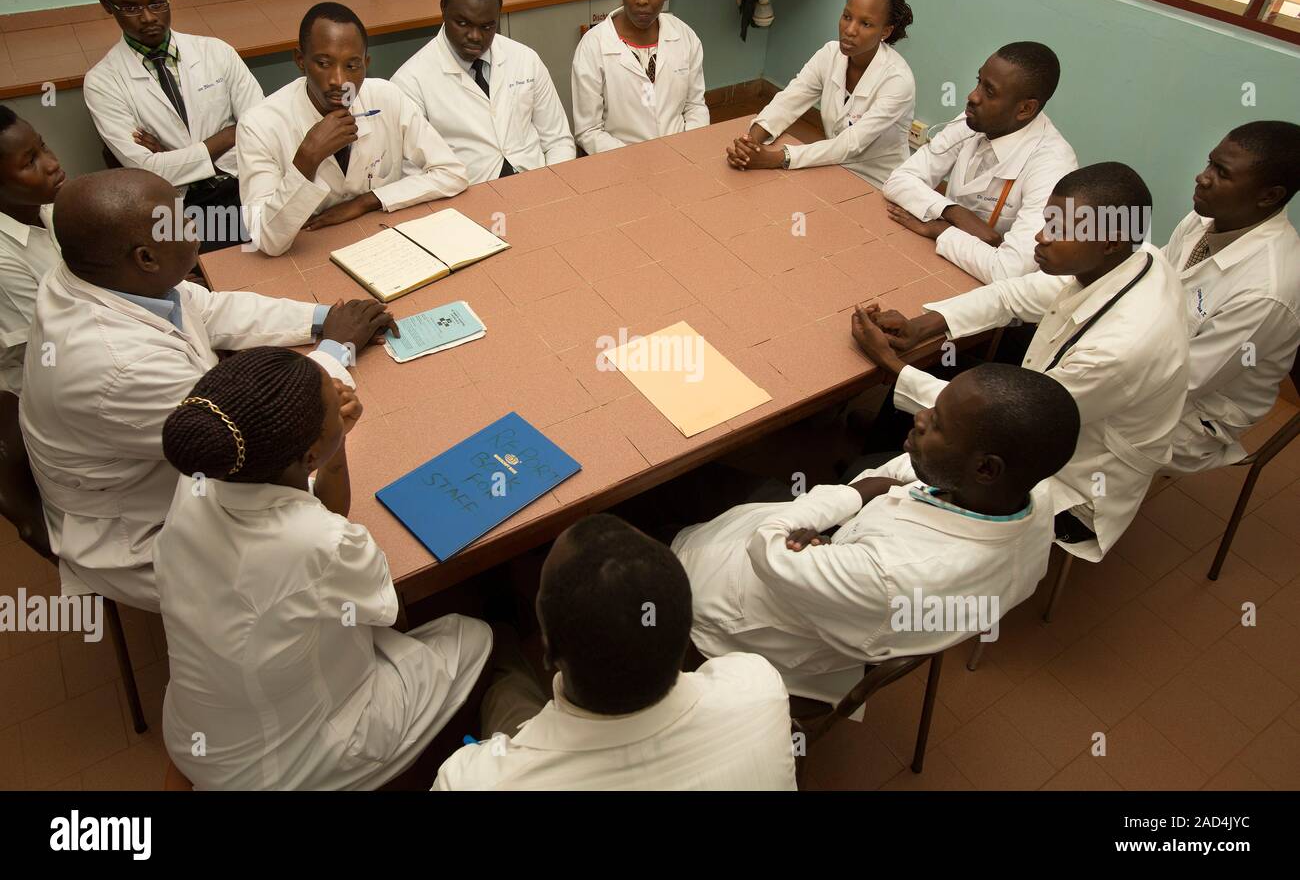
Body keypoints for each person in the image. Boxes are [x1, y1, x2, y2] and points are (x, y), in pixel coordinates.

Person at [18, 169, 396, 612]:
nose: (196, 225)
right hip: (149, 530)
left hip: (155, 471)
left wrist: (321, 319)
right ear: (145, 257)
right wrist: (338, 347)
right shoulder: (118, 364)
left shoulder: (101, 275)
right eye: (181, 220)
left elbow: (211, 309)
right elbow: (253, 425)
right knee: (360, 525)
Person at [156, 347, 492, 790]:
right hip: (285, 764)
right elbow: (389, 613)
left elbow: (303, 508)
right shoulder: (321, 543)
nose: (341, 394)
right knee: (475, 635)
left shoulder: (198, 481)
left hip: (200, 735)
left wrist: (333, 444)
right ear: (309, 455)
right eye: (333, 404)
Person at [674, 366, 1079, 700]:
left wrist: (848, 505)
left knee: (644, 526)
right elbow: (891, 474)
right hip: (826, 570)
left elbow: (765, 546)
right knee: (698, 478)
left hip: (731, 613)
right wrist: (855, 505)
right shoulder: (1030, 493)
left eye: (936, 424)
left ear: (986, 469)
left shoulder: (894, 574)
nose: (919, 418)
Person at [853, 162, 1189, 564]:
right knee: (939, 374)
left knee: (874, 483)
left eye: (1060, 230)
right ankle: (879, 451)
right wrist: (921, 326)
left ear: (1111, 242)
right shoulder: (1132, 255)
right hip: (1048, 411)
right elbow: (1013, 295)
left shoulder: (1123, 348)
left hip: (1074, 485)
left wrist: (891, 364)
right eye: (1048, 220)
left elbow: (1020, 424)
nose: (1041, 236)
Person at [434, 514, 796, 790]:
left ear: (548, 654)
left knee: (506, 689)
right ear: (688, 633)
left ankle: (504, 639)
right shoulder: (758, 688)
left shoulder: (475, 780)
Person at [236, 2, 468, 256]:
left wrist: (369, 201)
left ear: (366, 63)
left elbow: (452, 173)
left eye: (352, 66)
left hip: (382, 241)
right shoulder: (258, 126)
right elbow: (267, 241)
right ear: (300, 60)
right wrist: (306, 160)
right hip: (309, 252)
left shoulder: (386, 97)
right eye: (324, 64)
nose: (339, 80)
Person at [84, 0, 265, 252]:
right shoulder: (103, 82)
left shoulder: (216, 52)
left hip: (245, 185)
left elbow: (261, 132)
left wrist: (172, 155)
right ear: (107, 5)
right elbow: (149, 172)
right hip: (178, 209)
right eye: (130, 7)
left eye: (156, 2)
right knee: (223, 274)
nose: (148, 17)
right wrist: (228, 134)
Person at [1159, 121, 1300, 474]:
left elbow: (1183, 382)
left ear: (1268, 196)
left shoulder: (1268, 291)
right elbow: (1153, 280)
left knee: (1068, 420)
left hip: (1193, 416)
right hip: (1158, 356)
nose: (1202, 177)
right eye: (1210, 163)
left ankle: (1079, 520)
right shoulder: (1206, 218)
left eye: (1220, 172)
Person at [881, 41, 1077, 282]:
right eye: (979, 81)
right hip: (943, 258)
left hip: (994, 294)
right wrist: (953, 212)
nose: (973, 96)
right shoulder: (973, 119)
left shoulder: (1053, 165)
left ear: (1025, 109)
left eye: (989, 91)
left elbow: (1010, 271)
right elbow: (898, 180)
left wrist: (942, 229)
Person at [392, 0, 575, 185]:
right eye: (462, 23)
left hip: (538, 183)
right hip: (467, 197)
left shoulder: (525, 59)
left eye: (487, 26)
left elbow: (558, 141)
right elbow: (412, 173)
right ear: (443, 8)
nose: (475, 36)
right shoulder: (410, 83)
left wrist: (550, 186)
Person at [727, 0, 916, 186]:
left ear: (886, 31)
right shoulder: (830, 54)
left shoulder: (897, 81)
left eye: (865, 24)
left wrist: (776, 158)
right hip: (833, 168)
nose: (850, 30)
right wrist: (751, 143)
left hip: (879, 184)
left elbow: (850, 144)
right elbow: (789, 101)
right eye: (846, 16)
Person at [571, 0, 708, 154]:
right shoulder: (594, 46)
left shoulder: (685, 37)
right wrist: (636, 160)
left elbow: (695, 107)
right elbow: (589, 130)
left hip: (680, 156)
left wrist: (684, 148)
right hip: (620, 161)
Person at [0, 107, 64, 394]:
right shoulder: (3, 259)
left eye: (43, 145)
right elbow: (52, 347)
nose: (52, 163)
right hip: (44, 380)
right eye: (30, 162)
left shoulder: (51, 205)